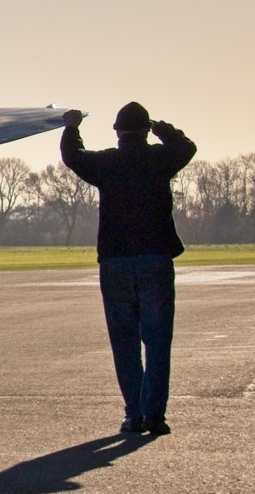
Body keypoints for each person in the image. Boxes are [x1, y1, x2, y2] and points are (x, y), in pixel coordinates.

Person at [61, 103, 196, 436]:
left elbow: (73, 157)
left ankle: (134, 414)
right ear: (146, 130)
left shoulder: (107, 163)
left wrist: (72, 127)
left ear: (117, 132)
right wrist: (163, 128)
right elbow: (187, 147)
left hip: (116, 260)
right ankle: (155, 415)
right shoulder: (161, 160)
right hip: (155, 258)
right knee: (158, 340)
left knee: (125, 342)